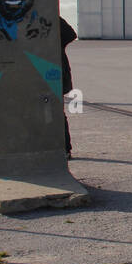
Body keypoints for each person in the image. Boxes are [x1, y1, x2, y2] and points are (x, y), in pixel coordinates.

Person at [60, 16, 77, 158]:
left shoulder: (50, 17)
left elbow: (71, 34)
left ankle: (65, 148)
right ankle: (65, 149)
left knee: (57, 113)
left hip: (54, 72)